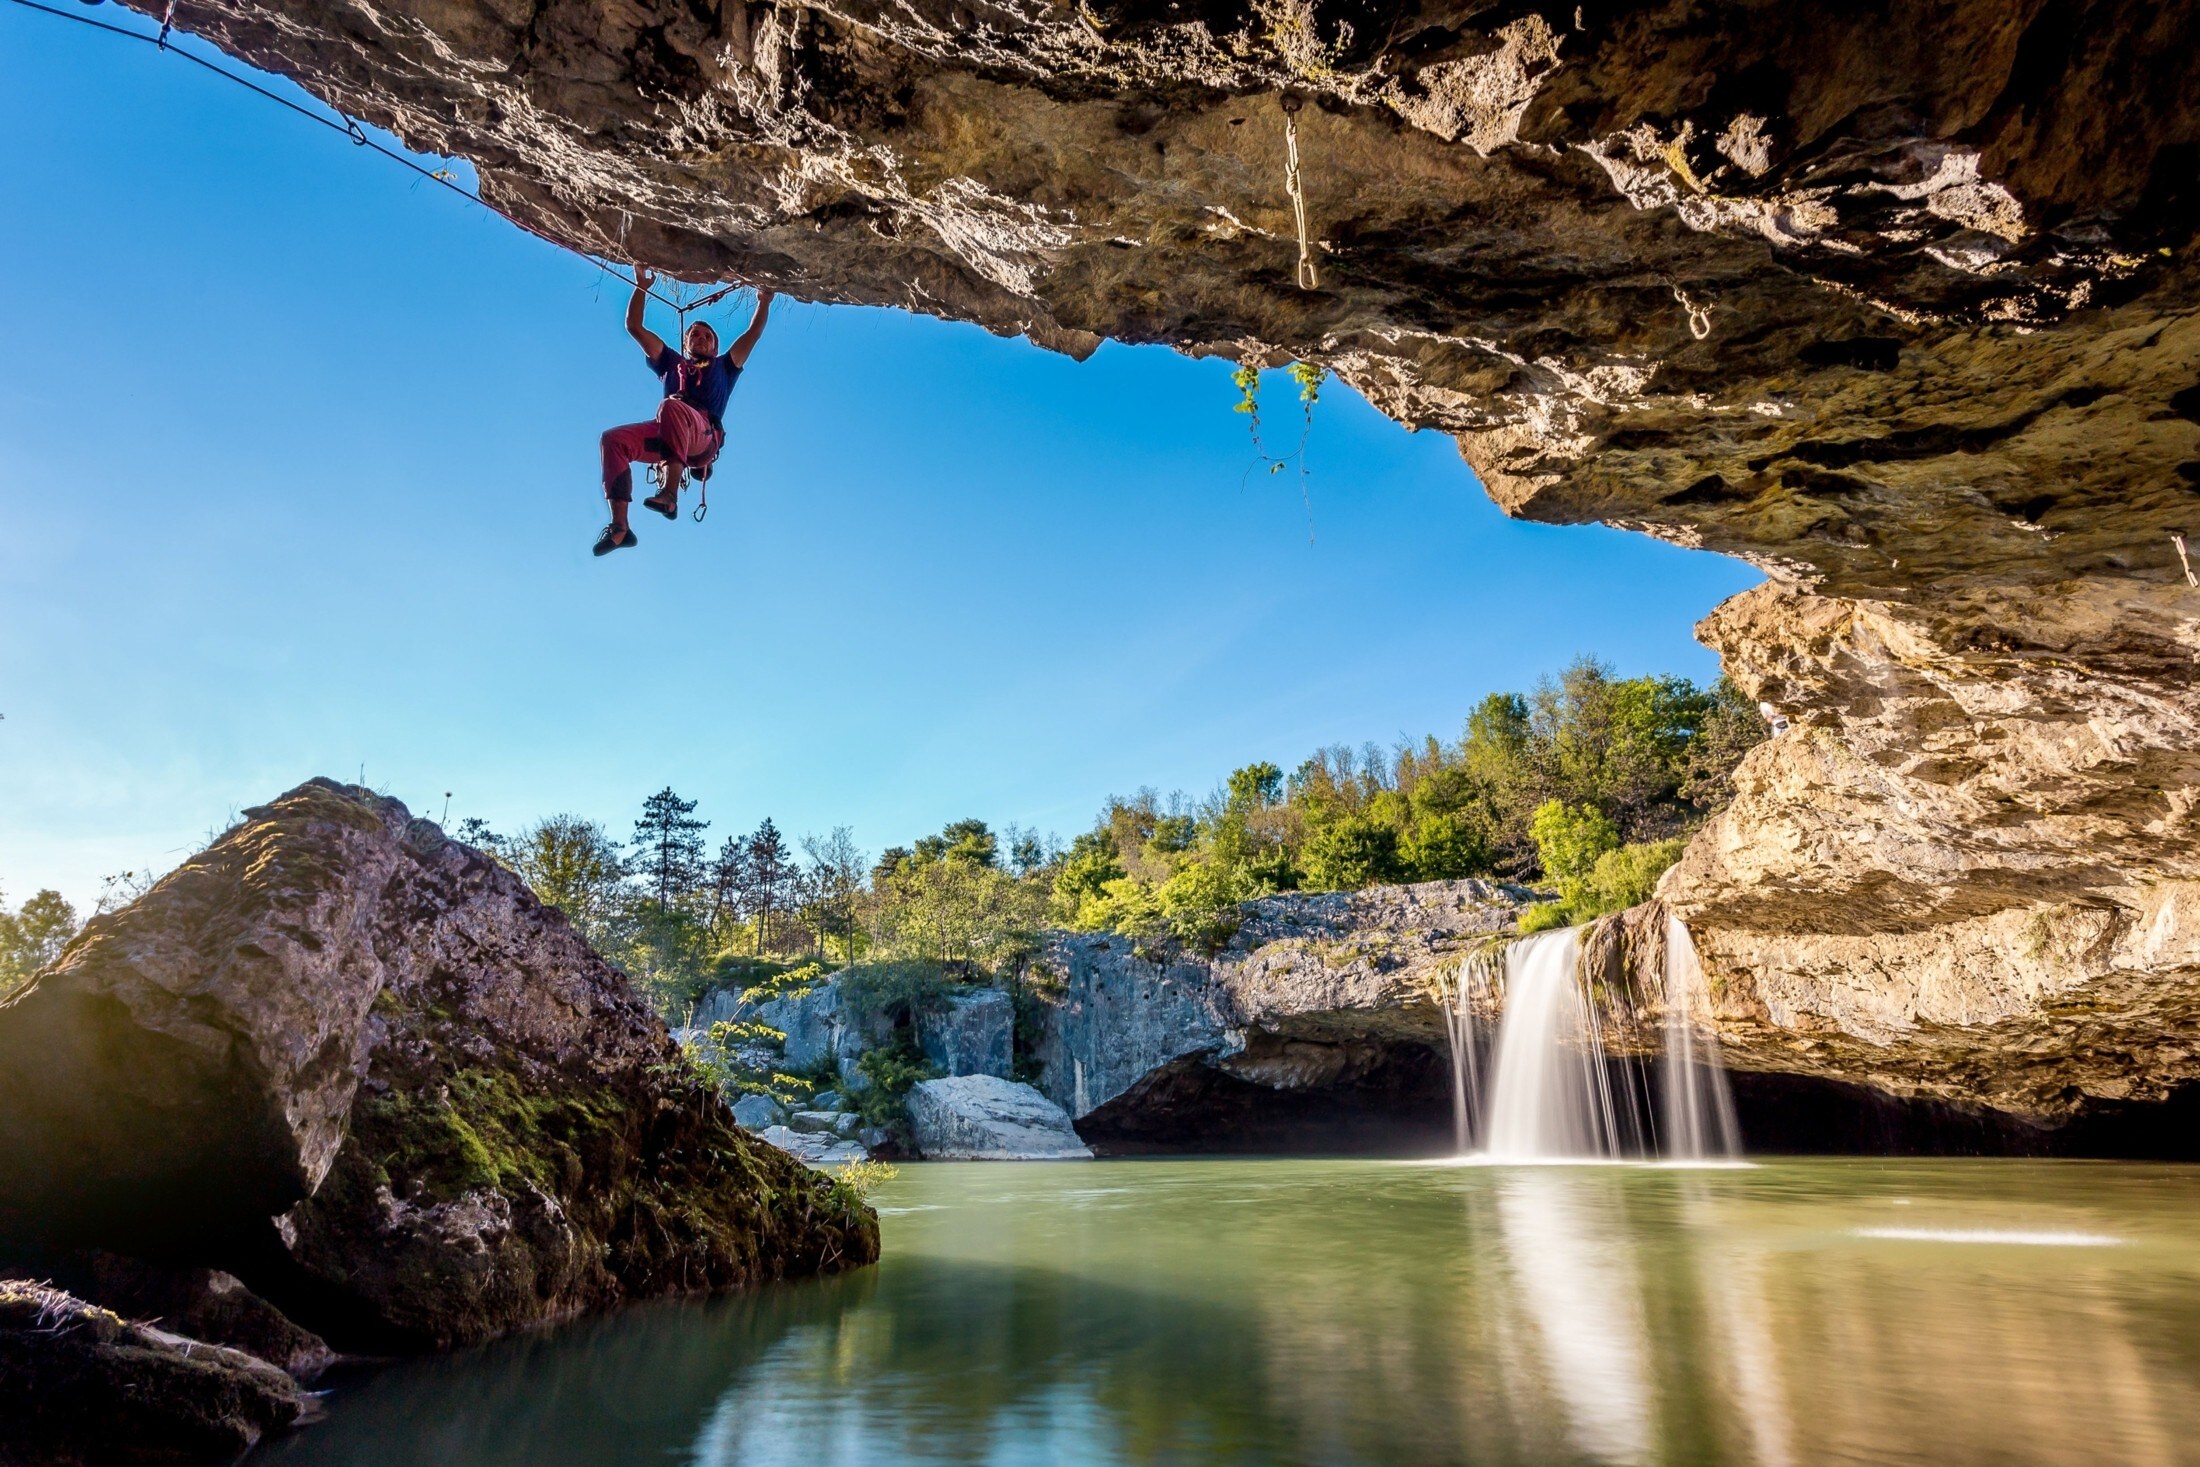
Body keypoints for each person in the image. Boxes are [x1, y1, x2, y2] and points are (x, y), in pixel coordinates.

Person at [594, 267, 774, 556]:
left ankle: (670, 494)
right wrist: (641, 286)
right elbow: (634, 327)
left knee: (672, 407)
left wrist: (764, 301)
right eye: (695, 335)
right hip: (668, 432)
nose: (700, 338)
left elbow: (753, 334)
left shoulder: (726, 367)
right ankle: (620, 527)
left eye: (707, 336)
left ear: (715, 347)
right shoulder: (670, 362)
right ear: (687, 342)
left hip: (702, 435)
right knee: (612, 439)